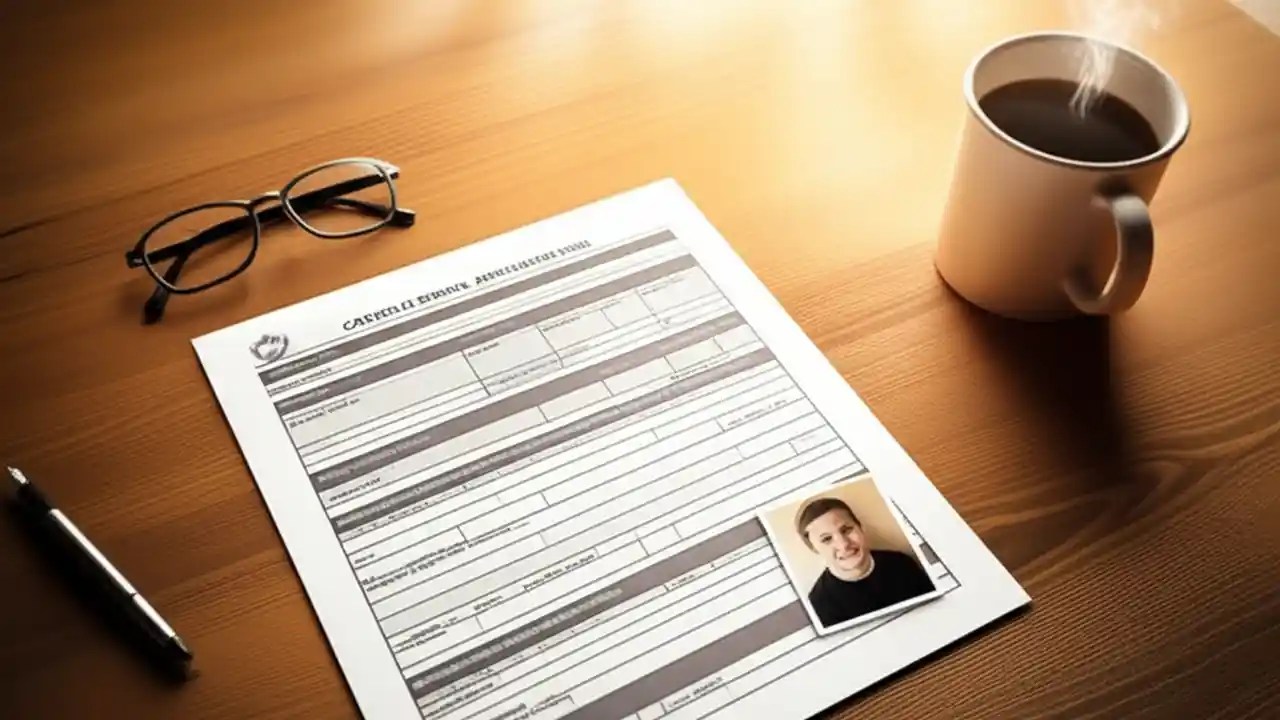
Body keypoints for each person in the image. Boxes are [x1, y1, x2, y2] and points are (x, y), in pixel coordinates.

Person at [795, 496, 935, 628]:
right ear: (814, 549)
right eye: (826, 539)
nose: (843, 544)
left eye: (846, 530)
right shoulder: (818, 604)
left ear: (860, 528)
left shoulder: (901, 563)